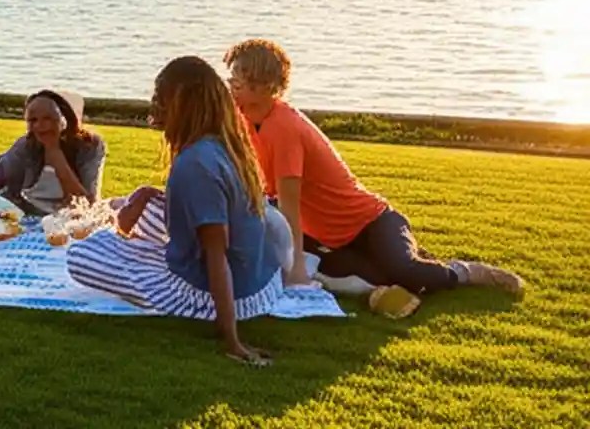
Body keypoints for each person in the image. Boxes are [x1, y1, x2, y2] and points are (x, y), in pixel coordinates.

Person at [223, 38, 523, 303]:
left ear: (266, 87)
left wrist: (297, 272)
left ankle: (466, 272)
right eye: (230, 83)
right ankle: (416, 260)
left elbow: (290, 206)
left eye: (238, 86)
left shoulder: (283, 127)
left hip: (370, 222)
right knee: (368, 278)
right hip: (328, 235)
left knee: (404, 274)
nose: (231, 92)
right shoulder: (245, 118)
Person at [68, 57, 282, 366]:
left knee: (82, 253)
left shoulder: (194, 164)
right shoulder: (226, 146)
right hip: (261, 284)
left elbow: (216, 254)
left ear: (184, 103)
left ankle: (131, 249)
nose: (154, 104)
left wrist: (232, 341)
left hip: (218, 298)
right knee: (147, 213)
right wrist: (146, 195)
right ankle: (137, 225)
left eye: (161, 96)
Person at [0, 89, 106, 215]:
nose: (40, 126)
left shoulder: (90, 147)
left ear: (64, 120)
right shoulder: (26, 146)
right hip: (27, 215)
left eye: (48, 118)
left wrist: (54, 152)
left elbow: (86, 204)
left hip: (69, 220)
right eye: (33, 120)